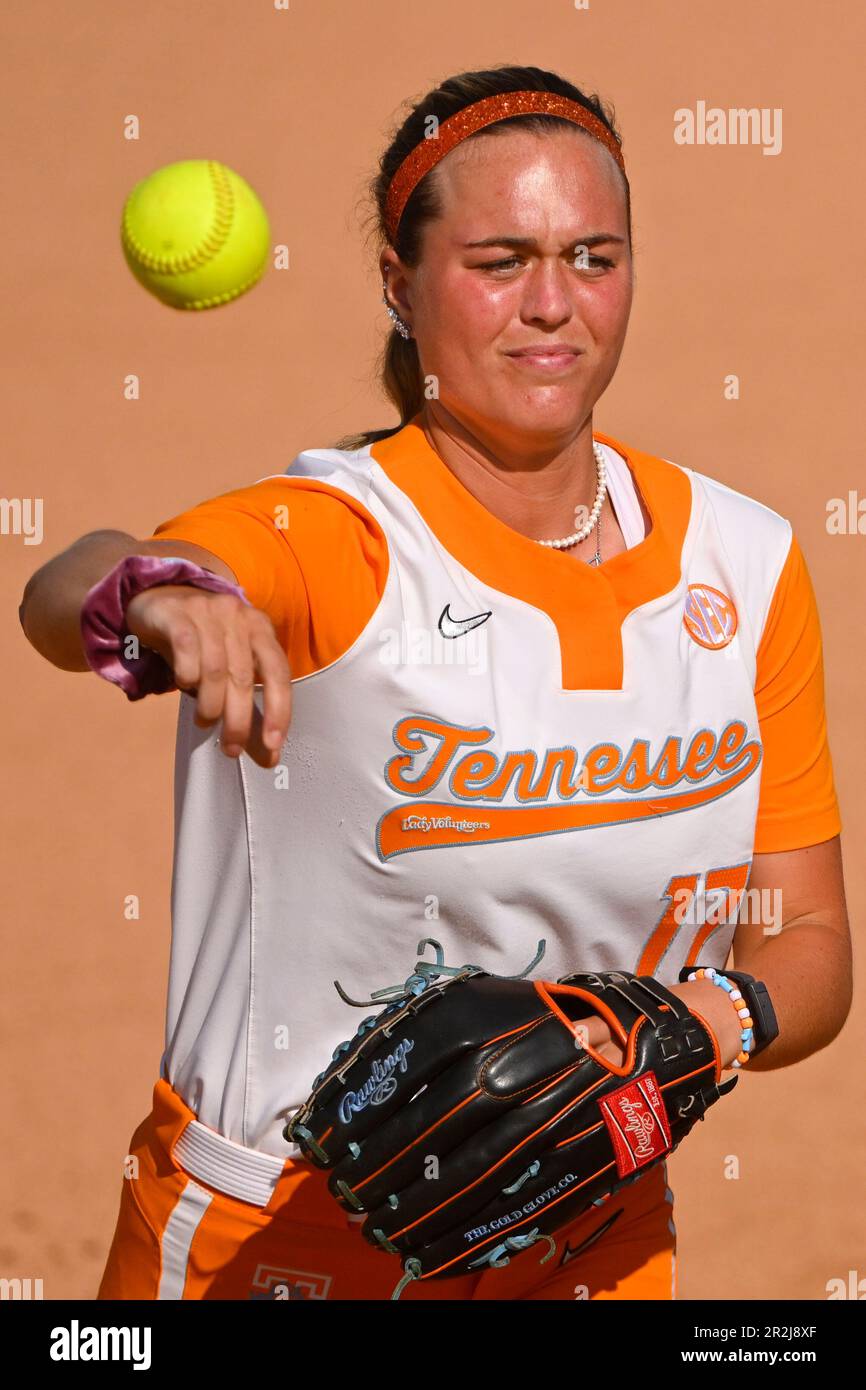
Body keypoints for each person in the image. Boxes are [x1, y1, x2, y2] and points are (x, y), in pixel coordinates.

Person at [19, 64, 851, 1302]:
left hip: (595, 1234)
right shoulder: (334, 538)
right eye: (498, 261)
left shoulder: (743, 563)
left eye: (593, 257)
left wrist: (695, 1025)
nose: (551, 304)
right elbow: (64, 585)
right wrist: (158, 592)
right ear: (397, 285)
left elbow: (810, 942)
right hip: (274, 1251)